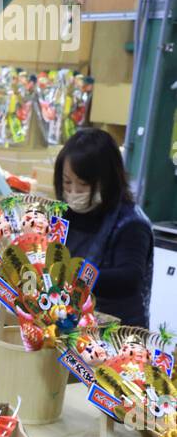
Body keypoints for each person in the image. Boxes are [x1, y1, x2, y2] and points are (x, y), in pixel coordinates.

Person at [54, 127, 153, 328]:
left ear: (105, 181)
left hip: (116, 334)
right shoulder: (64, 213)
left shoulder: (131, 224)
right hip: (71, 322)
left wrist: (76, 274)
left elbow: (129, 278)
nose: (73, 192)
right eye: (66, 183)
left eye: (82, 185)